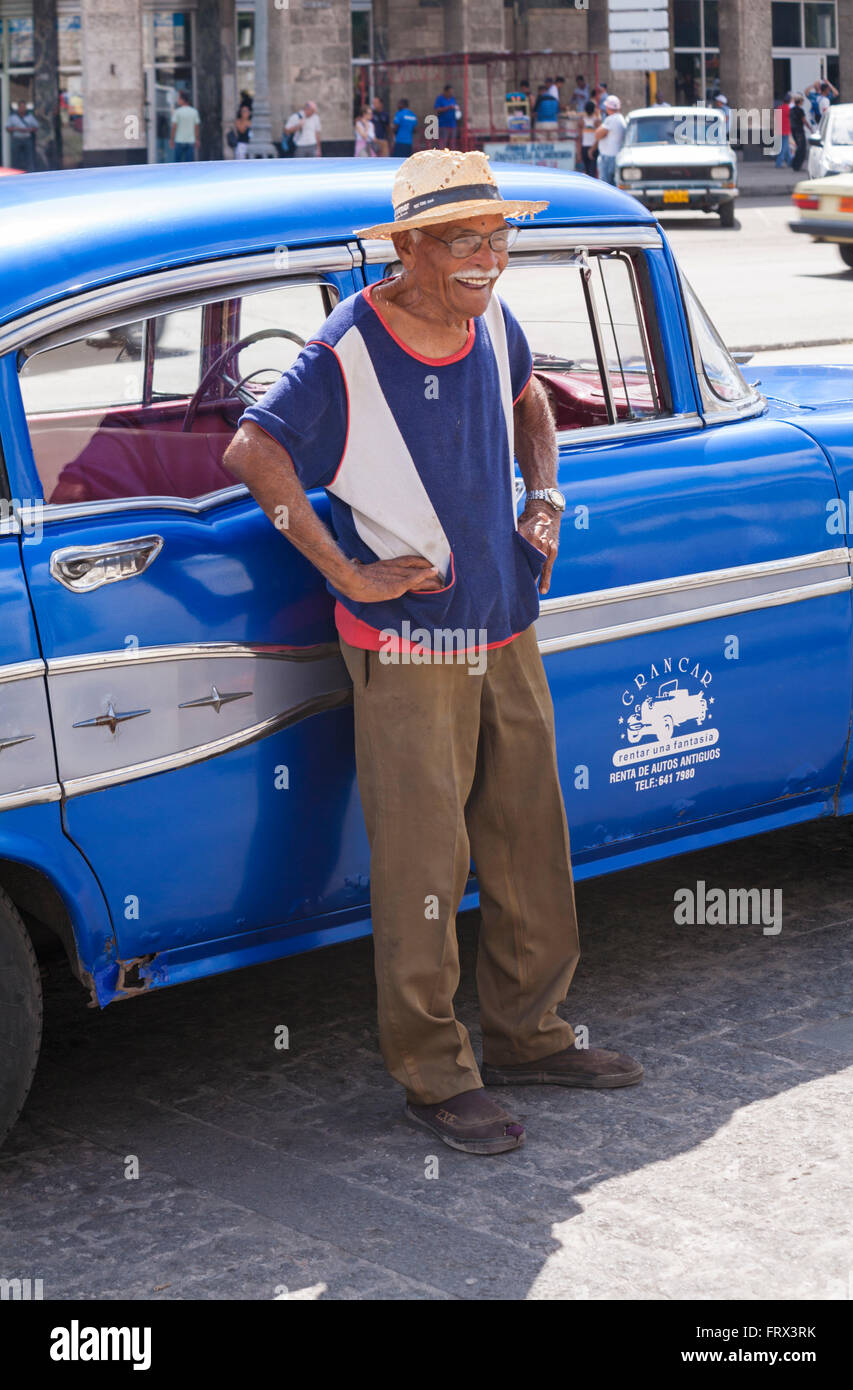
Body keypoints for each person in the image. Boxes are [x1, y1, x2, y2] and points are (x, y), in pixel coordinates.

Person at [222, 149, 643, 1156]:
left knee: (528, 844)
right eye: (465, 241)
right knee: (424, 864)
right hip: (405, 646)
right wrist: (341, 569)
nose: (488, 260)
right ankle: (433, 1073)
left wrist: (542, 496)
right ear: (407, 248)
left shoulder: (490, 318)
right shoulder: (347, 349)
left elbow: (528, 401)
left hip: (505, 624)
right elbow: (251, 449)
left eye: (497, 239)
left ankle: (530, 1033)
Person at [591, 94, 626, 184]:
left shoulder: (610, 119)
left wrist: (598, 121)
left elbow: (597, 135)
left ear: (607, 107)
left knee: (605, 185)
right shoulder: (621, 118)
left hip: (607, 157)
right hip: (616, 155)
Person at [6, 99, 39, 172]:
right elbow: (8, 128)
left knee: (29, 158)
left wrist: (28, 130)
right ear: (18, 108)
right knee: (16, 158)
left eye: (23, 107)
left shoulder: (30, 117)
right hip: (16, 139)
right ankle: (15, 172)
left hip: (27, 139)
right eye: (21, 107)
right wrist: (16, 129)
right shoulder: (13, 117)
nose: (22, 108)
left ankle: (30, 172)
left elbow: (36, 127)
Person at [170, 89, 200, 162]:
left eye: (179, 99)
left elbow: (174, 127)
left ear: (183, 100)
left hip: (179, 140)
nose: (178, 100)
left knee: (177, 162)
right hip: (190, 141)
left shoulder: (177, 112)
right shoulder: (194, 111)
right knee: (189, 163)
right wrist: (197, 139)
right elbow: (196, 127)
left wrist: (172, 139)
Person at [789, 93, 813, 171]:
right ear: (800, 101)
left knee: (799, 148)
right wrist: (810, 128)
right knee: (801, 149)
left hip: (794, 130)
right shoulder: (800, 110)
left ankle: (795, 165)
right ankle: (796, 165)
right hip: (799, 131)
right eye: (802, 101)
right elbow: (804, 120)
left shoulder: (792, 110)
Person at [578, 98, 600, 177]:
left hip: (585, 147)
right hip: (593, 147)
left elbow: (580, 138)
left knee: (587, 171)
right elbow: (598, 138)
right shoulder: (597, 121)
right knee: (592, 172)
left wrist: (579, 152)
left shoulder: (582, 121)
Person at [774, 94, 793, 168]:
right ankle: (778, 163)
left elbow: (776, 120)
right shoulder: (789, 109)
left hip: (779, 130)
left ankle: (790, 162)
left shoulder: (779, 108)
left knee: (786, 147)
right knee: (783, 148)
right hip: (786, 130)